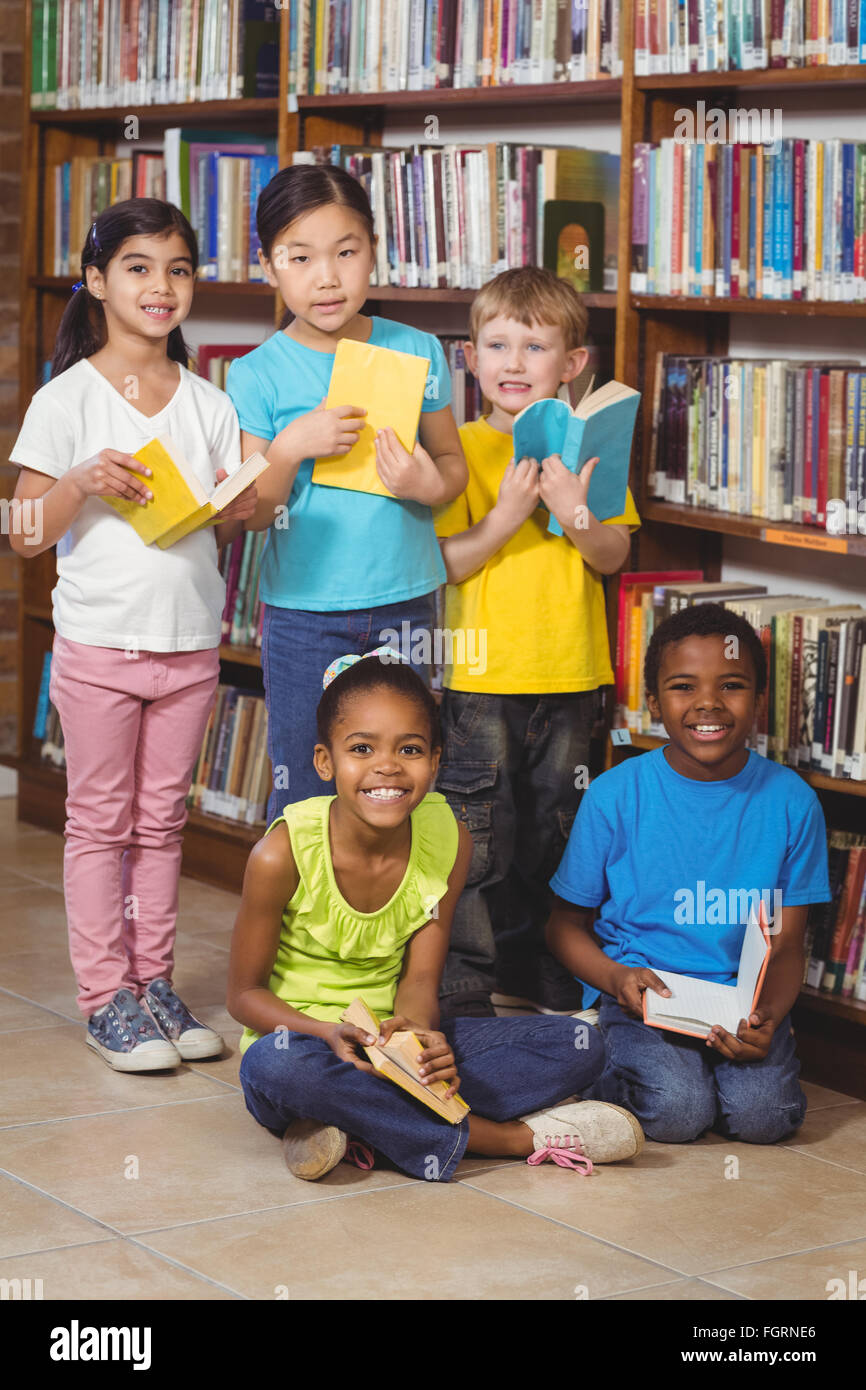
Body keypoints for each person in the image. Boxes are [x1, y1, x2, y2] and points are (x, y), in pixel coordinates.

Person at [229, 653, 644, 1182]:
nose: (388, 766)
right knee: (273, 1066)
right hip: (305, 1046)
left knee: (582, 1045)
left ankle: (350, 1126)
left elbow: (422, 978)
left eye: (410, 749)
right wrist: (326, 1032)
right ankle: (502, 1139)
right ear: (325, 761)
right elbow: (243, 998)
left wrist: (423, 1039)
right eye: (362, 749)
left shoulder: (449, 838)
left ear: (437, 759)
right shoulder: (281, 853)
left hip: (393, 1048)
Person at [9, 198, 258, 1072]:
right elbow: (25, 530)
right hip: (99, 650)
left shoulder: (208, 404)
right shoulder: (66, 398)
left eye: (179, 269)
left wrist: (246, 500)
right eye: (140, 268)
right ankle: (103, 997)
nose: (161, 286)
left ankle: (152, 983)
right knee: (99, 825)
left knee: (162, 826)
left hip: (189, 648)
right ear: (97, 281)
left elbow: (223, 526)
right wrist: (79, 480)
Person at [224, 162, 469, 815]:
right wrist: (288, 448)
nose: (326, 277)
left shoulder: (416, 350)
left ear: (374, 253)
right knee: (306, 785)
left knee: (399, 784)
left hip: (406, 603)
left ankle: (388, 915)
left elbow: (453, 467)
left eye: (346, 252)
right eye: (300, 257)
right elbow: (253, 514)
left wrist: (427, 481)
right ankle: (306, 918)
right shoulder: (256, 375)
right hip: (304, 614)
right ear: (270, 268)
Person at [433, 267, 640, 1018]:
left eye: (535, 346)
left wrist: (573, 508)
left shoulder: (591, 451)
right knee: (477, 837)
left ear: (574, 363)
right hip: (478, 680)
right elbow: (442, 562)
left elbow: (612, 557)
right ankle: (464, 985)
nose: (513, 363)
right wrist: (505, 516)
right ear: (470, 356)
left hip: (569, 677)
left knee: (558, 837)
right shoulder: (455, 450)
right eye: (496, 345)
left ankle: (546, 975)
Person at [546, 602, 832, 1144]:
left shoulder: (793, 802)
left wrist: (767, 1014)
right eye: (683, 686)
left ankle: (705, 1077)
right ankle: (598, 1061)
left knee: (764, 1120)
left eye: (732, 686)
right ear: (654, 702)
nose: (708, 704)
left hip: (741, 1001)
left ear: (760, 701)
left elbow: (790, 941)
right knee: (678, 1113)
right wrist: (614, 980)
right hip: (645, 996)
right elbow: (563, 925)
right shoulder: (615, 794)